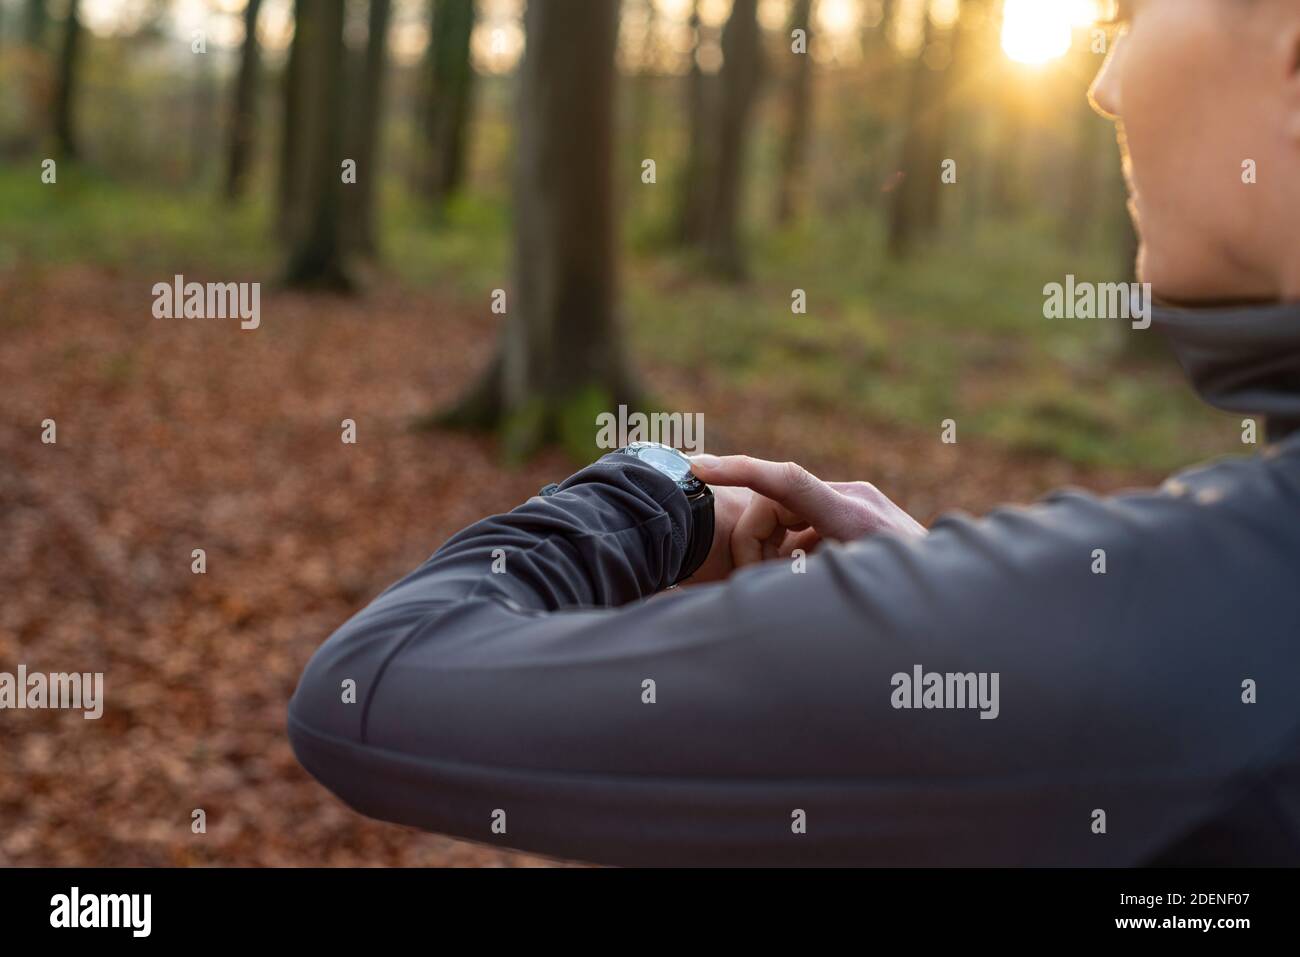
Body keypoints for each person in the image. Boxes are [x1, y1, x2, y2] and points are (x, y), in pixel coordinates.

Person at [287, 0, 1300, 866]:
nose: (1105, 83)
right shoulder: (1205, 612)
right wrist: (954, 598)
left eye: (1126, 14)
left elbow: (369, 687)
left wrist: (649, 498)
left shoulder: (1206, 600)